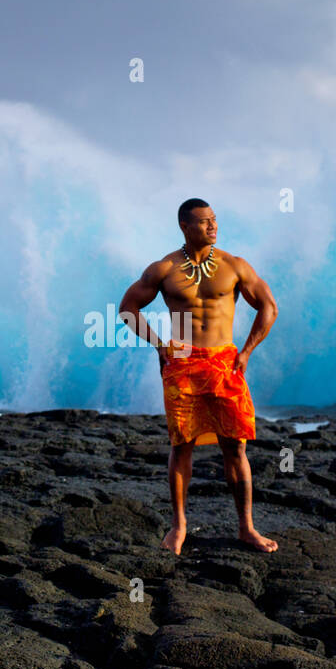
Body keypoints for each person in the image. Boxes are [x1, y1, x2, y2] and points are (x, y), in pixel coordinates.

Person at [119, 198, 279, 556]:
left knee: (235, 445)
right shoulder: (164, 269)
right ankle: (179, 527)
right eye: (204, 222)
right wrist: (159, 345)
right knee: (181, 445)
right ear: (184, 227)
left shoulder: (234, 266)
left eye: (214, 220)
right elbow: (127, 308)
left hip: (225, 363)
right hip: (182, 363)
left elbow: (269, 306)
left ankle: (246, 528)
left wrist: (247, 350)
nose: (212, 226)